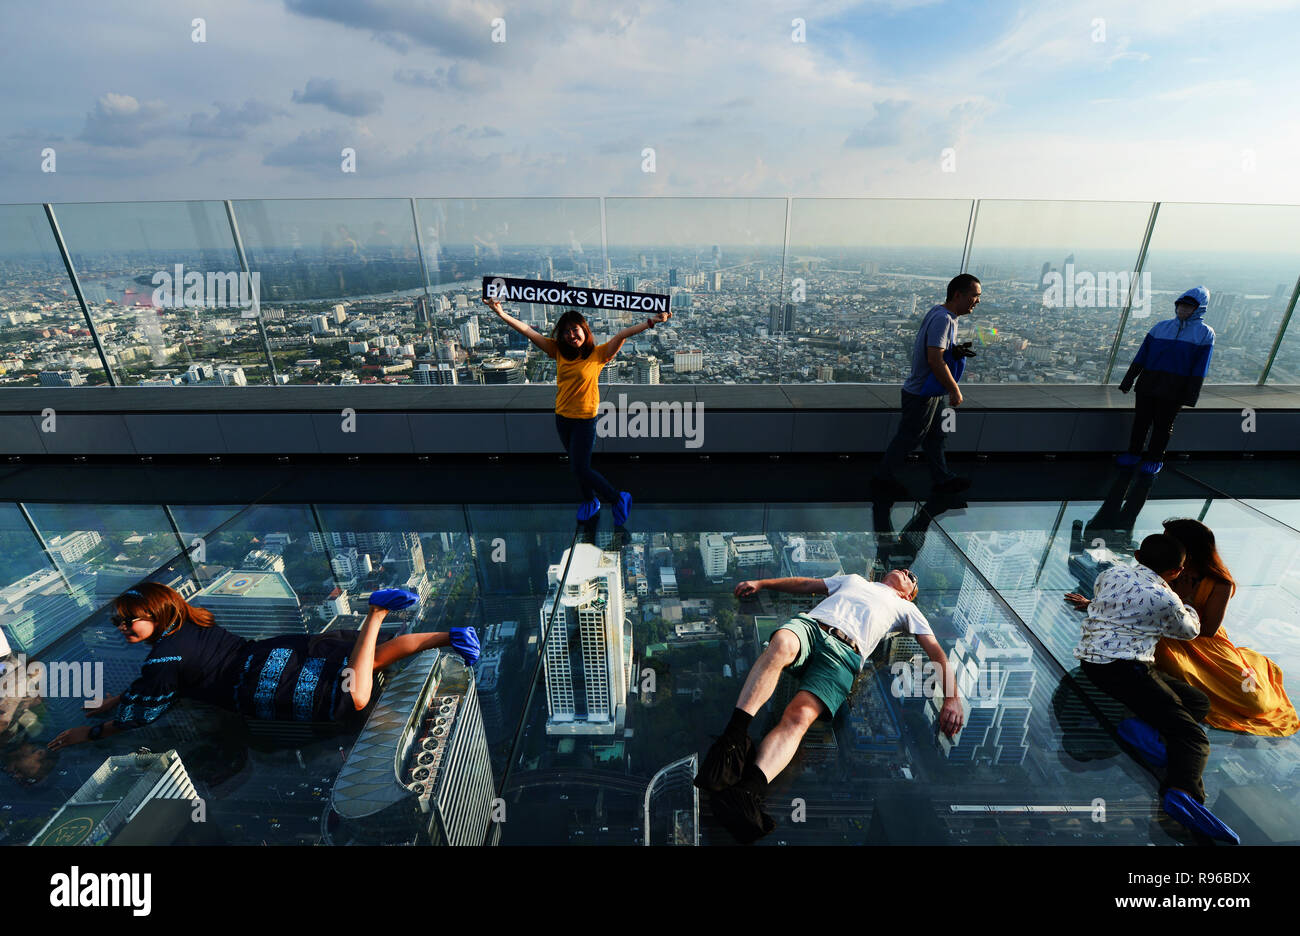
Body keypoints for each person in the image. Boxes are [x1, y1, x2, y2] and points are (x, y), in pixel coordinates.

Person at [698, 568, 964, 843]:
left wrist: (952, 698)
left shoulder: (906, 609)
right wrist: (762, 582)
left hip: (846, 655)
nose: (907, 572)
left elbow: (936, 653)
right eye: (905, 570)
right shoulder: (854, 580)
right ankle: (733, 738)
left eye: (912, 577)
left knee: (800, 717)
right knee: (782, 644)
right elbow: (805, 583)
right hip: (813, 627)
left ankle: (747, 792)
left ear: (908, 595)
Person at [47, 582, 481, 750]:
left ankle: (377, 613)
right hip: (284, 650)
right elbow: (158, 684)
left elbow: (145, 709)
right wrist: (113, 700)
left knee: (355, 697)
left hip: (261, 683)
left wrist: (92, 732)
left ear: (157, 613)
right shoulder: (195, 620)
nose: (124, 628)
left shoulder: (162, 659)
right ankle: (452, 637)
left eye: (130, 620)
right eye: (119, 622)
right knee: (374, 657)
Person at [1064, 533, 1238, 843]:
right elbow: (1190, 631)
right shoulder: (1165, 598)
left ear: (1139, 555)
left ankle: (1138, 730)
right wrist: (1187, 604)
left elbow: (1115, 606)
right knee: (1192, 736)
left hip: (1094, 662)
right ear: (1177, 571)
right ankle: (1182, 794)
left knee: (1196, 702)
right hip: (1126, 670)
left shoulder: (1111, 573)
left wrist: (1090, 606)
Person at [485, 296, 671, 527]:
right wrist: (500, 313)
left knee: (579, 467)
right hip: (562, 418)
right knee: (578, 466)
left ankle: (616, 497)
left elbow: (623, 334)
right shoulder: (558, 351)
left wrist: (652, 321)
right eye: (566, 332)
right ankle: (589, 500)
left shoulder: (599, 354)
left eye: (575, 330)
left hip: (585, 421)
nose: (572, 336)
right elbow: (527, 331)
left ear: (585, 329)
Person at [1155, 518, 1298, 737]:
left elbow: (1209, 630)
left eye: (1169, 541)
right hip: (1164, 633)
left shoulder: (1219, 582)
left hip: (1203, 640)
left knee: (1254, 701)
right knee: (1177, 670)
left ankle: (1254, 667)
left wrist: (1180, 602)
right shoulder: (1161, 565)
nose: (1163, 546)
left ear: (1189, 547)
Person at [871, 274, 980, 498]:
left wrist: (954, 352)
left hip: (931, 390)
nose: (977, 301)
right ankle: (882, 479)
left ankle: (942, 479)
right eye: (974, 296)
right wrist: (954, 389)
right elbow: (934, 359)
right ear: (958, 295)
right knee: (910, 437)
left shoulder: (940, 312)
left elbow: (936, 353)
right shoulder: (944, 319)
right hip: (922, 392)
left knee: (936, 436)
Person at [1117, 286, 1215, 475]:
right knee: (1141, 421)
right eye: (1180, 306)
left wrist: (1191, 395)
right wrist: (1128, 380)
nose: (1182, 310)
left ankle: (1155, 459)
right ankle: (1133, 453)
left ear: (1199, 309)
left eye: (1188, 307)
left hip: (1175, 388)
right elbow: (1142, 355)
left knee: (1163, 425)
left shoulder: (1205, 333)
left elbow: (1200, 366)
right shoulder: (1160, 327)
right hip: (1148, 382)